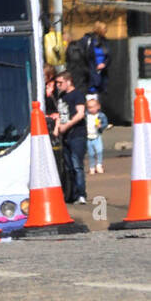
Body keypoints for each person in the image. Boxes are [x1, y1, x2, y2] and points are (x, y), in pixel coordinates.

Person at [51, 70, 88, 204]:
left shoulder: (77, 95)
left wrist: (67, 126)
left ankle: (81, 194)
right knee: (68, 167)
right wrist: (57, 128)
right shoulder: (62, 97)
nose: (58, 85)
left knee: (77, 165)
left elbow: (80, 113)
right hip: (65, 136)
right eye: (57, 83)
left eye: (60, 83)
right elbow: (60, 115)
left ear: (69, 81)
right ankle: (71, 194)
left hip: (77, 134)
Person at [85, 91, 108, 176]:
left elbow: (105, 123)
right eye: (89, 107)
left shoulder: (101, 115)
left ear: (98, 106)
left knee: (99, 150)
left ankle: (99, 165)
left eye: (93, 107)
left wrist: (101, 126)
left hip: (97, 136)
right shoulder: (86, 115)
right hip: (88, 137)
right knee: (91, 153)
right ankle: (92, 167)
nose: (91, 109)